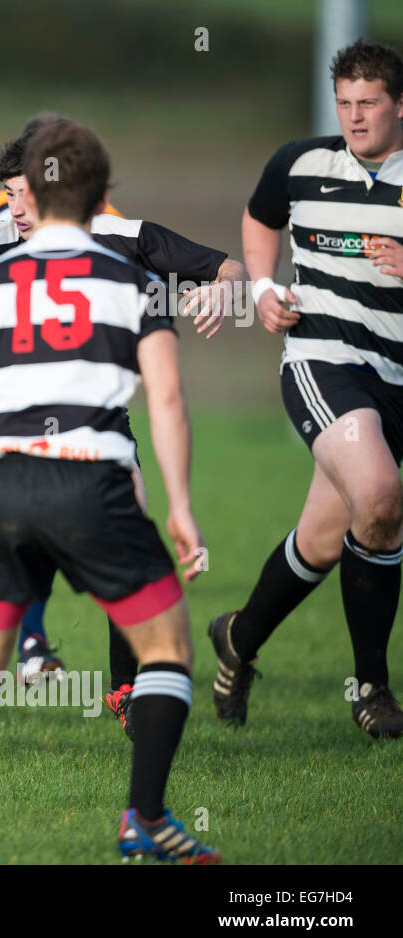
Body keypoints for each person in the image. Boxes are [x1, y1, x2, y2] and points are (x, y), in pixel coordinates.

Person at [0, 119, 219, 862]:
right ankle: (144, 816)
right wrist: (178, 507)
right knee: (168, 648)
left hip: (2, 487)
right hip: (95, 483)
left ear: (29, 198)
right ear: (100, 197)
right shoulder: (131, 284)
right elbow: (168, 404)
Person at [211, 39, 403, 739]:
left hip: (397, 379)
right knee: (380, 494)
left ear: (400, 105)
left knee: (330, 537)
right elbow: (261, 219)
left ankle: (237, 636)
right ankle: (372, 690)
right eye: (345, 104)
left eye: (369, 104)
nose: (354, 118)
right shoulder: (300, 163)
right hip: (324, 359)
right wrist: (263, 288)